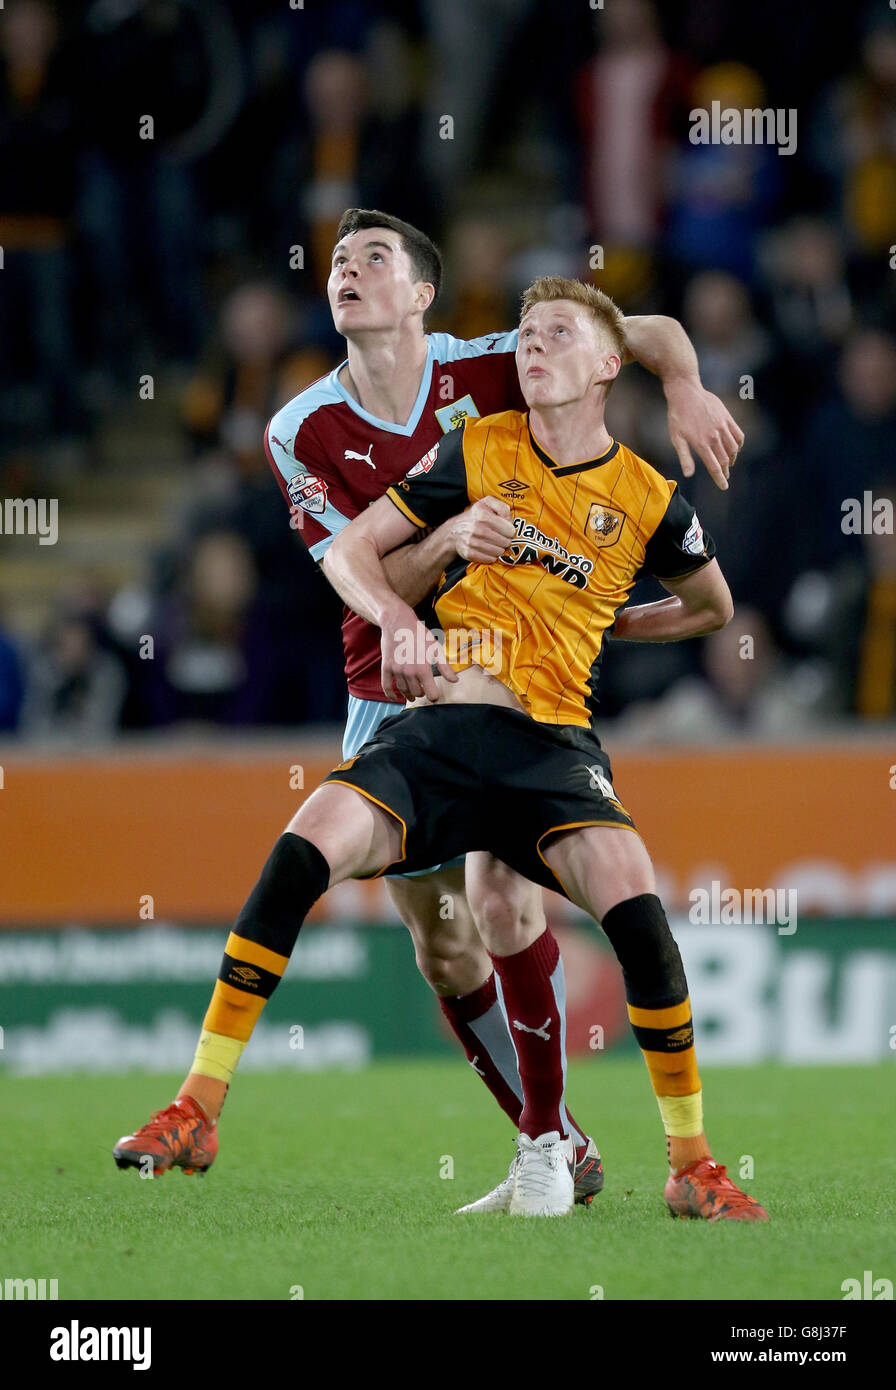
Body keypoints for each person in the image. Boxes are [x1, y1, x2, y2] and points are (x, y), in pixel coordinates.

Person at [115, 274, 765, 1222]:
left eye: (554, 335)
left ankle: (688, 1163)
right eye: (526, 332)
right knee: (308, 851)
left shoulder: (649, 499)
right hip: (443, 726)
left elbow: (715, 607)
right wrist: (405, 605)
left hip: (552, 741)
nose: (531, 345)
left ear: (604, 366)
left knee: (629, 902)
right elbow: (351, 550)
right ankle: (197, 1106)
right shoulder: (475, 445)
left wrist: (620, 624)